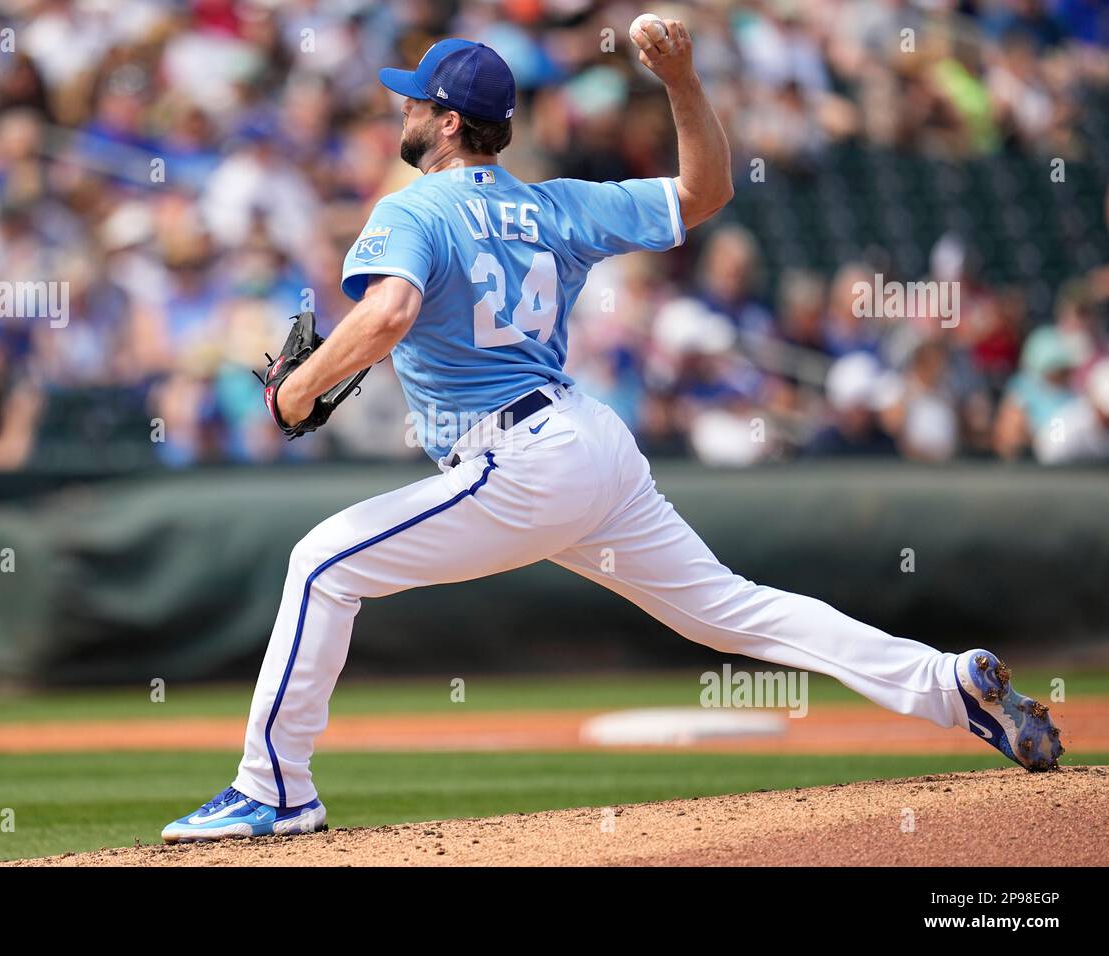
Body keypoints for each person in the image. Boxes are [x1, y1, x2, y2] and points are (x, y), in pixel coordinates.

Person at [162, 24, 1064, 842]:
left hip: (516, 459)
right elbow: (704, 194)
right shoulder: (556, 205)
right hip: (590, 445)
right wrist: (680, 78)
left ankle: (274, 787)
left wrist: (295, 395)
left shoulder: (411, 207)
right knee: (735, 611)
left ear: (445, 123)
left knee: (321, 563)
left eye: (415, 99)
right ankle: (948, 686)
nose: (403, 108)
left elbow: (390, 310)